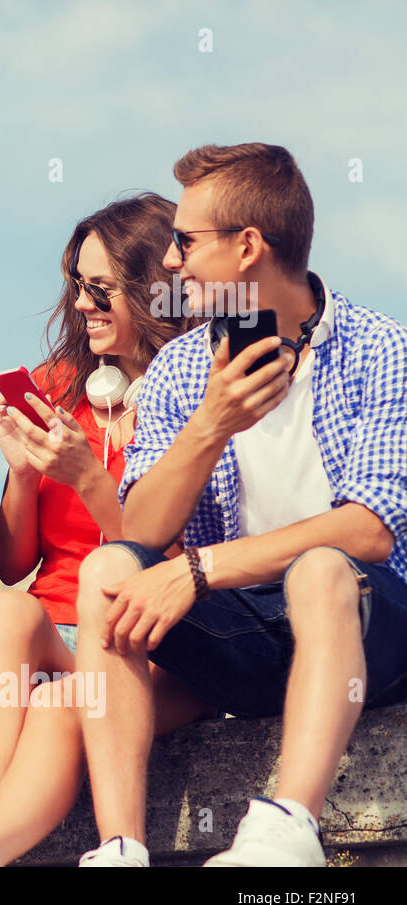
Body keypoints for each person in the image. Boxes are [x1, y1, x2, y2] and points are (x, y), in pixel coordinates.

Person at [75, 143, 407, 867]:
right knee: (108, 571)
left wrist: (198, 570)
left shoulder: (380, 347)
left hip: (371, 628)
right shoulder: (182, 369)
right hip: (249, 638)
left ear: (249, 245)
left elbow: (371, 531)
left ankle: (288, 828)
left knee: (322, 566)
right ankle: (121, 849)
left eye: (187, 242)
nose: (171, 261)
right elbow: (140, 531)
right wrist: (211, 424)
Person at [0, 193, 208, 866]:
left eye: (101, 290)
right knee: (11, 611)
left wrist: (88, 480)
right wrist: (19, 475)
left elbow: (181, 560)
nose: (81, 305)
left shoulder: (201, 398)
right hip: (50, 632)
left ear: (153, 288)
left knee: (66, 703)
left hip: (150, 637)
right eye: (77, 287)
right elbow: (12, 565)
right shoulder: (56, 388)